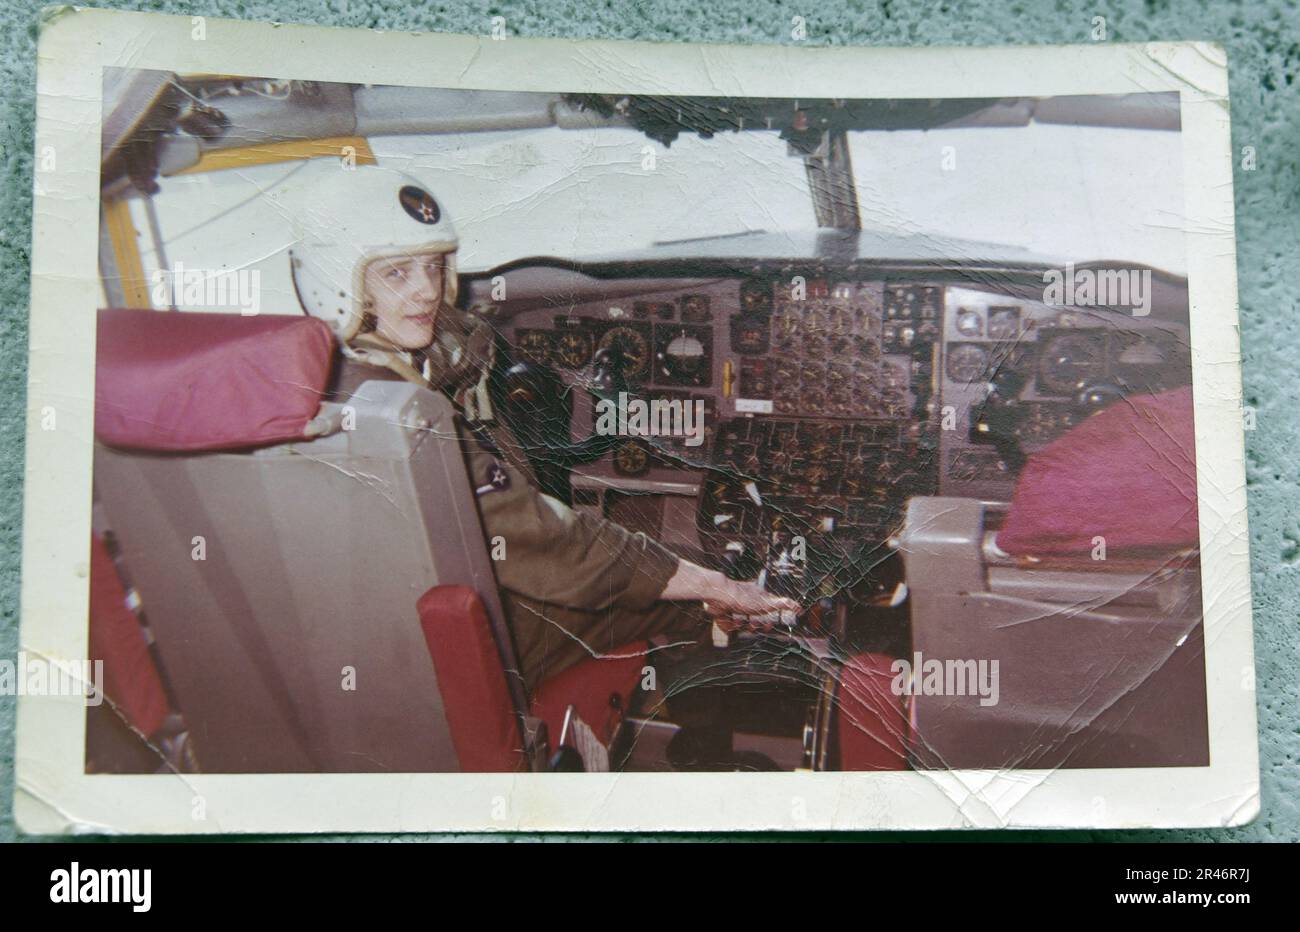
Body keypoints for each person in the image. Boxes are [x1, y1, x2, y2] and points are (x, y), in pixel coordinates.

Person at [271, 160, 798, 699]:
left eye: (433, 267)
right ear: (338, 280)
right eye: (396, 273)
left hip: (387, 623)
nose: (428, 291)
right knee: (672, 599)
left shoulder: (317, 380)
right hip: (469, 636)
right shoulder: (400, 416)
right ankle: (744, 690)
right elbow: (551, 546)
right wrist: (713, 584)